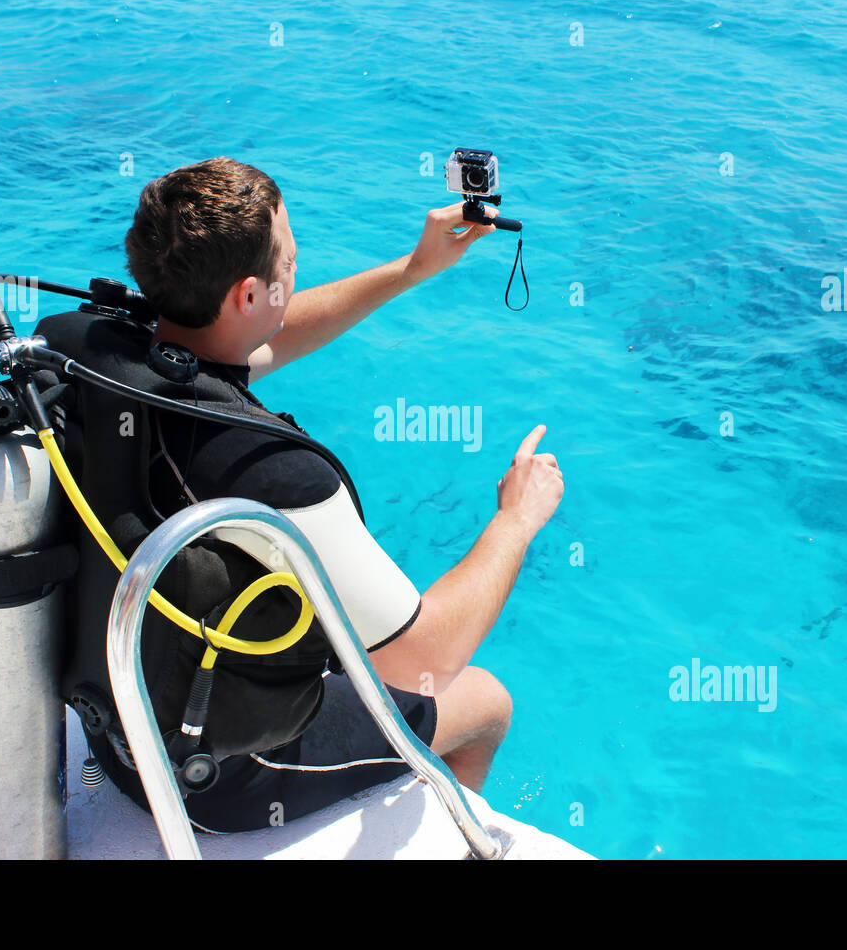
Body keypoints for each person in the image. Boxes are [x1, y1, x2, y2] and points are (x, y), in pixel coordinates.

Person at [111, 156, 564, 832]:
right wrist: (516, 521)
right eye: (288, 261)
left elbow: (266, 334)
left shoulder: (107, 358)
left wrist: (412, 269)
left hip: (118, 722)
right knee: (483, 702)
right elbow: (424, 661)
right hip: (212, 776)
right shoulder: (272, 476)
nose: (296, 270)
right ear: (243, 295)